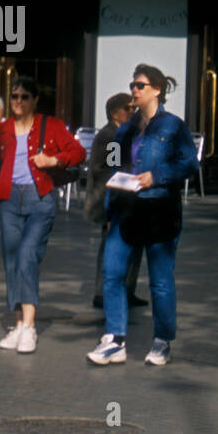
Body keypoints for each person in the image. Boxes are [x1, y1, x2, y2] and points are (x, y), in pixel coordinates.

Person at [87, 64, 197, 368]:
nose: (134, 90)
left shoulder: (174, 127)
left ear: (157, 90)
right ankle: (115, 339)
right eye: (132, 85)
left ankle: (162, 340)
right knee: (112, 274)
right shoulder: (125, 130)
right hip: (126, 211)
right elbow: (112, 168)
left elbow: (190, 165)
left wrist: (157, 175)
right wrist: (109, 209)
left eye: (140, 85)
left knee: (160, 282)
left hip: (160, 212)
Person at [0, 76, 86, 353]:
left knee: (27, 256)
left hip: (40, 200)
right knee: (12, 261)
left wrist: (54, 159)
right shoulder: (2, 130)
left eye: (25, 96)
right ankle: (19, 325)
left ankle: (30, 326)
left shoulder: (52, 126)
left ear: (35, 100)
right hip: (10, 200)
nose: (18, 101)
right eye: (14, 97)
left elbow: (78, 151)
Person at [84, 92, 146, 312]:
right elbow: (112, 168)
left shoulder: (125, 133)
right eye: (127, 108)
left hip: (127, 196)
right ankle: (101, 293)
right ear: (114, 112)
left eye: (132, 108)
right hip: (112, 198)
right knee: (110, 246)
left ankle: (127, 290)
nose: (132, 112)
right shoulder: (111, 134)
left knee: (135, 244)